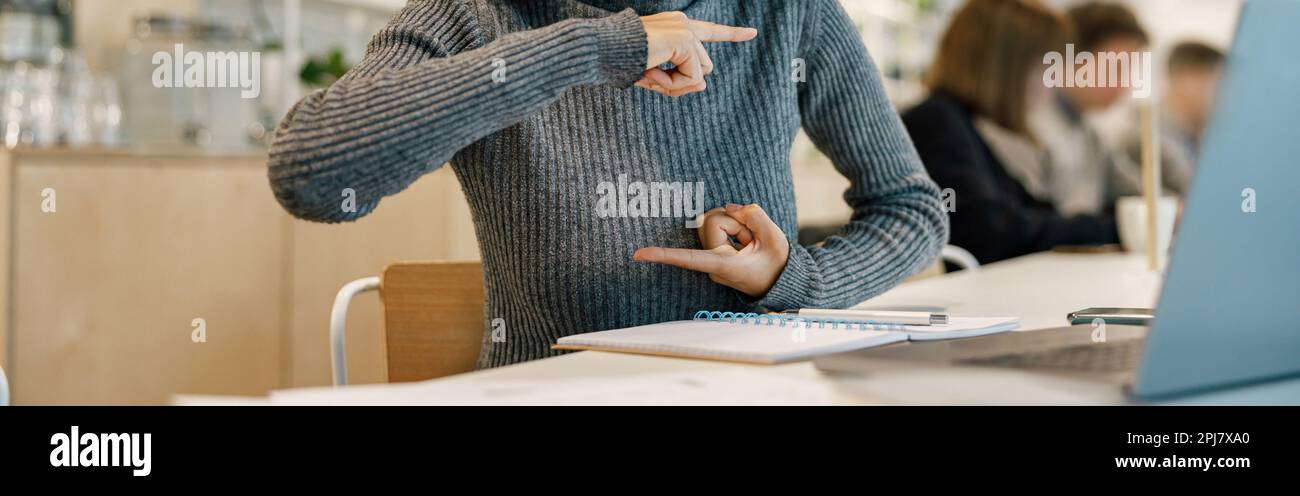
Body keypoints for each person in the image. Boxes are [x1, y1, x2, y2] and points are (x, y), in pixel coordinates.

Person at [267, 0, 948, 367]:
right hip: (546, 393)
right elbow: (311, 173)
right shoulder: (474, 12)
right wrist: (591, 47)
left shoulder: (787, 12)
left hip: (750, 390)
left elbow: (912, 209)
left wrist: (794, 278)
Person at [902, 0, 1117, 266]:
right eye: (1045, 67)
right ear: (1008, 67)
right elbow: (990, 233)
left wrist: (1116, 222)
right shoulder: (936, 123)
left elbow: (1031, 212)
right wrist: (1114, 226)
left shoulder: (963, 125)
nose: (1053, 81)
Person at [1030, 1, 1150, 216]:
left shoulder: (1090, 135)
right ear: (1071, 56)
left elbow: (1142, 193)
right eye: (1116, 69)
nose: (1124, 85)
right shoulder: (1028, 125)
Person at [1122, 41, 1226, 195]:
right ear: (1188, 79)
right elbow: (1203, 197)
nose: (1225, 97)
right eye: (1219, 84)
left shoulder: (1192, 139)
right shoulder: (1145, 138)